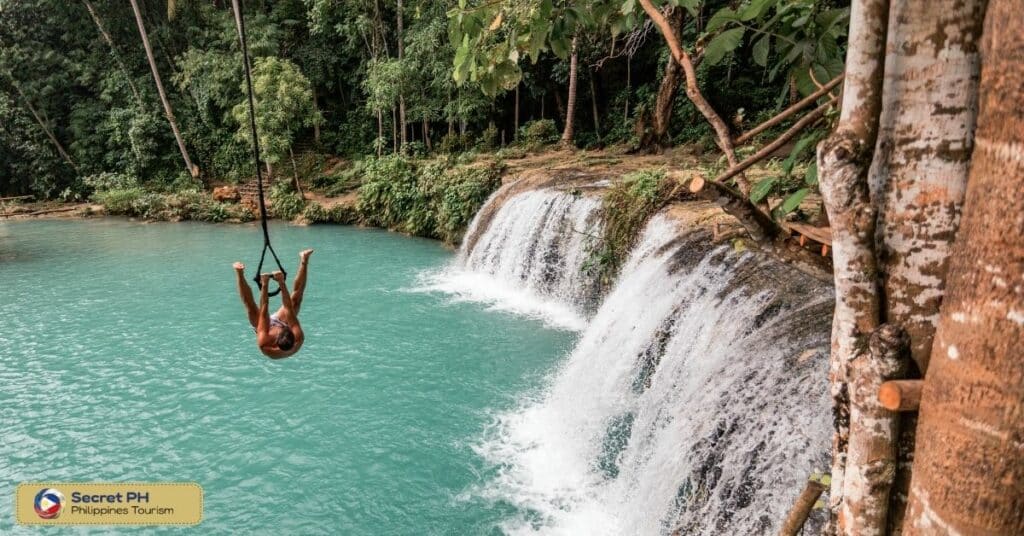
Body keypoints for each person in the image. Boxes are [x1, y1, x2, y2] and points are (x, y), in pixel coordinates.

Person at [234, 249, 312, 359]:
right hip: (281, 323)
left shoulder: (264, 343)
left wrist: (264, 284)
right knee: (296, 299)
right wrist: (281, 282)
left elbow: (264, 310)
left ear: (276, 338)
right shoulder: (298, 336)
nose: (279, 328)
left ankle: (239, 273)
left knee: (250, 307)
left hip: (265, 328)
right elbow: (288, 307)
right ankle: (304, 259)